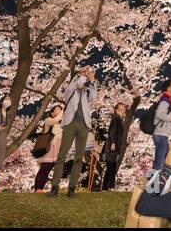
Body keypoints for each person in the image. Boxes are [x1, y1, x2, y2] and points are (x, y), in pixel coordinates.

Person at [50, 66, 96, 197]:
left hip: (84, 124)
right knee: (62, 155)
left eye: (85, 75)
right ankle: (54, 186)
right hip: (70, 123)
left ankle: (72, 188)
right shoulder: (71, 91)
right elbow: (75, 85)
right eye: (83, 75)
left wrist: (92, 81)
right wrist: (81, 74)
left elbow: (94, 95)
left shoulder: (87, 92)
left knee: (79, 158)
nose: (85, 77)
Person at [32, 105, 64, 192]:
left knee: (48, 169)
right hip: (49, 147)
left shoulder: (61, 124)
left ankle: (41, 187)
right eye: (57, 109)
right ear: (52, 113)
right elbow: (55, 120)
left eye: (60, 110)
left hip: (57, 148)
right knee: (45, 168)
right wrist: (63, 110)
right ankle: (38, 188)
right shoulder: (49, 120)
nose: (60, 111)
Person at [152, 78, 171, 172]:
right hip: (160, 134)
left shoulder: (167, 100)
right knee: (160, 161)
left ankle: (159, 182)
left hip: (162, 134)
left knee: (165, 159)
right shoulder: (165, 100)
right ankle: (154, 184)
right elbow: (159, 114)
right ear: (168, 88)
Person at [102, 102, 127, 190]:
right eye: (121, 106)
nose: (123, 107)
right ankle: (109, 186)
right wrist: (113, 142)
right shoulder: (116, 118)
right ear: (116, 109)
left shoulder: (119, 119)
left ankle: (105, 187)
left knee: (110, 166)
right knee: (111, 166)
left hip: (115, 144)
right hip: (114, 145)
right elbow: (112, 131)